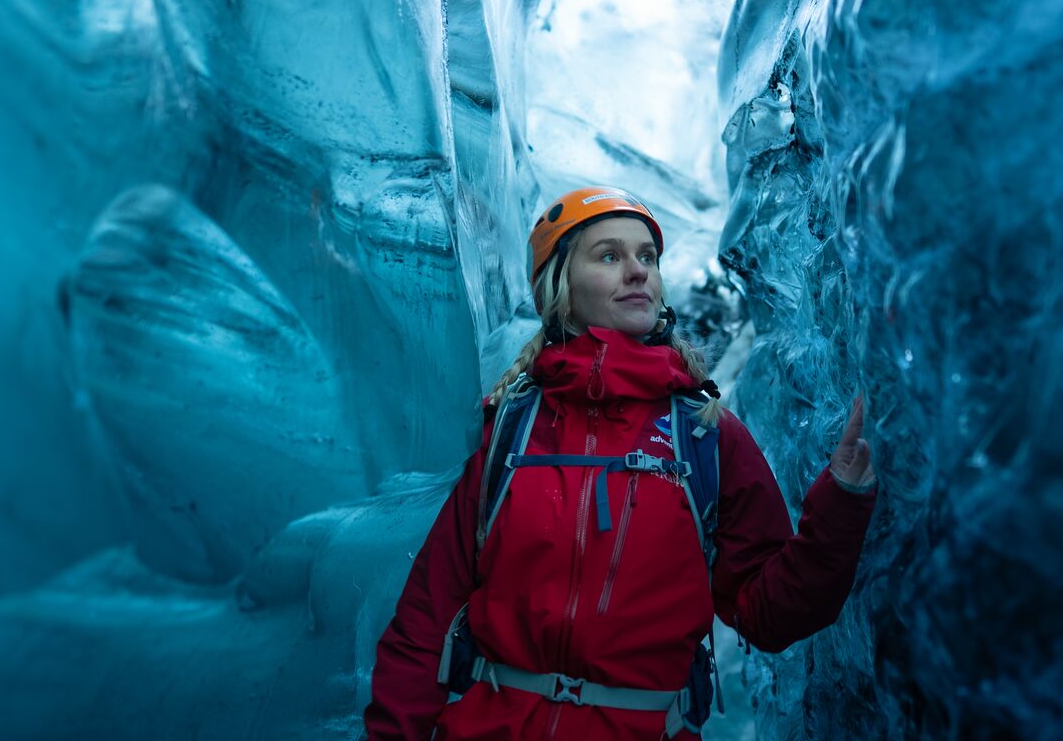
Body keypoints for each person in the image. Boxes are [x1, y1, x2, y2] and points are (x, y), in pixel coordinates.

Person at [364, 186, 877, 740]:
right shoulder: (512, 431)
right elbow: (425, 622)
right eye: (609, 255)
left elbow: (770, 614)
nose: (637, 271)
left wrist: (842, 500)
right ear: (559, 288)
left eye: (647, 257)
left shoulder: (705, 436)